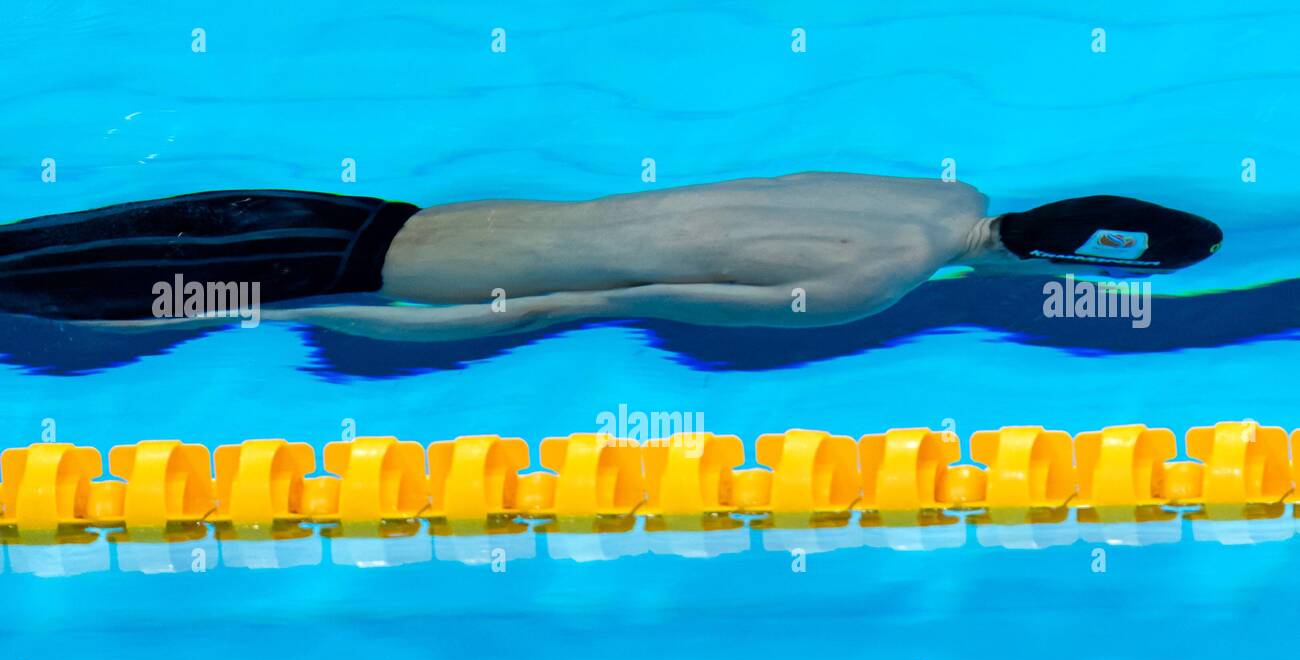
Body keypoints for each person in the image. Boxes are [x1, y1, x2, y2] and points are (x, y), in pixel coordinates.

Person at [0, 173, 1222, 340]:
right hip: (347, 276)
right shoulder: (864, 287)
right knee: (62, 300)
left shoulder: (923, 189)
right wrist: (342, 328)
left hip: (329, 210)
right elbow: (595, 299)